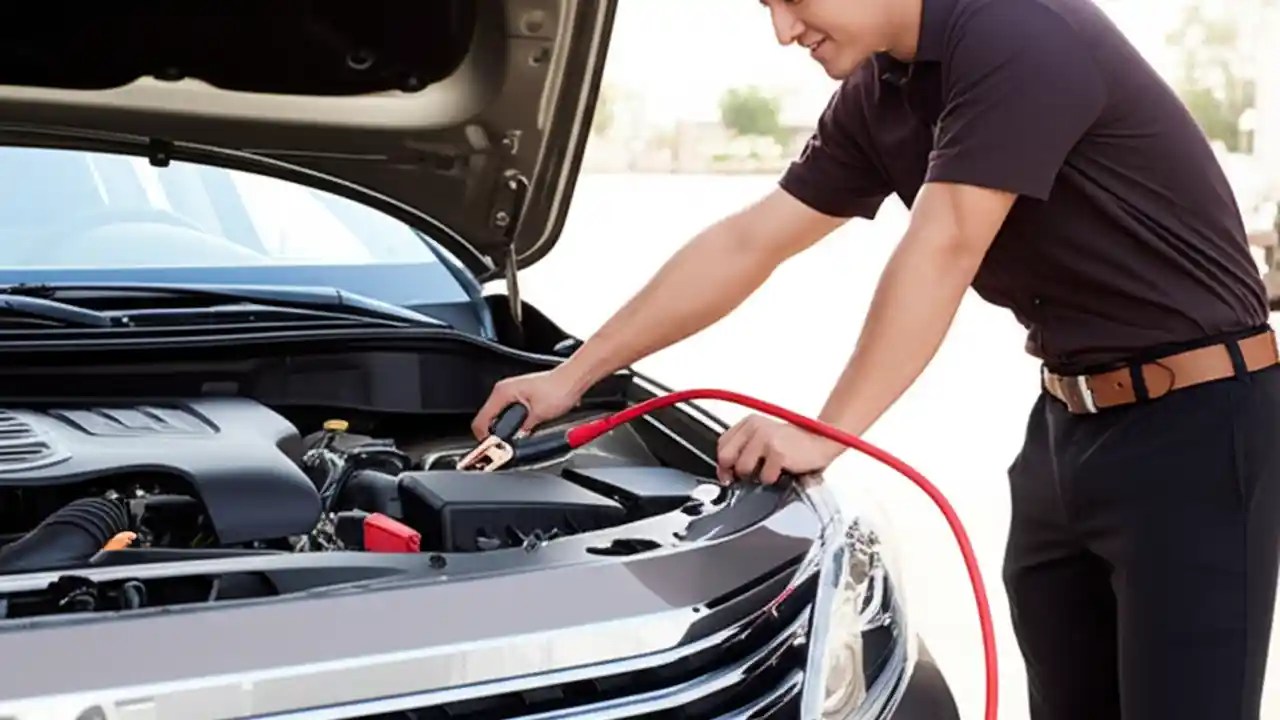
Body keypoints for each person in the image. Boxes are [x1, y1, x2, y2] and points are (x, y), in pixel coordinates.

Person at [471, 0, 1280, 717]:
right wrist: (571, 378)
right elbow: (751, 241)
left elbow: (945, 245)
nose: (784, 30)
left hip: (1202, 433)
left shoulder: (1020, 33)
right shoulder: (880, 95)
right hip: (1066, 429)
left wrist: (827, 431)